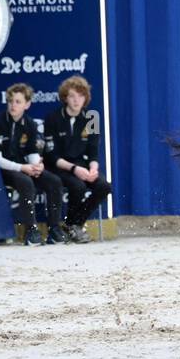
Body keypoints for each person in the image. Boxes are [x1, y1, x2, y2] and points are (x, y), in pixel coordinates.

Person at [0, 83, 68, 245]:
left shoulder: (31, 124)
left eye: (18, 102)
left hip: (23, 167)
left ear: (27, 104)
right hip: (2, 170)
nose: (13, 105)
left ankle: (54, 229)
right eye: (10, 101)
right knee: (26, 182)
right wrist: (23, 168)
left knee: (54, 182)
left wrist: (36, 165)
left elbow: (32, 152)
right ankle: (31, 230)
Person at [43, 75, 111, 244]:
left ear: (86, 98)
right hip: (60, 166)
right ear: (65, 97)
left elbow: (94, 150)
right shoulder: (53, 119)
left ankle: (74, 224)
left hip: (83, 165)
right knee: (78, 186)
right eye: (72, 96)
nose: (76, 100)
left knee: (103, 186)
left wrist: (93, 168)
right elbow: (51, 156)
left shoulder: (92, 117)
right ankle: (74, 227)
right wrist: (75, 170)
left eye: (80, 96)